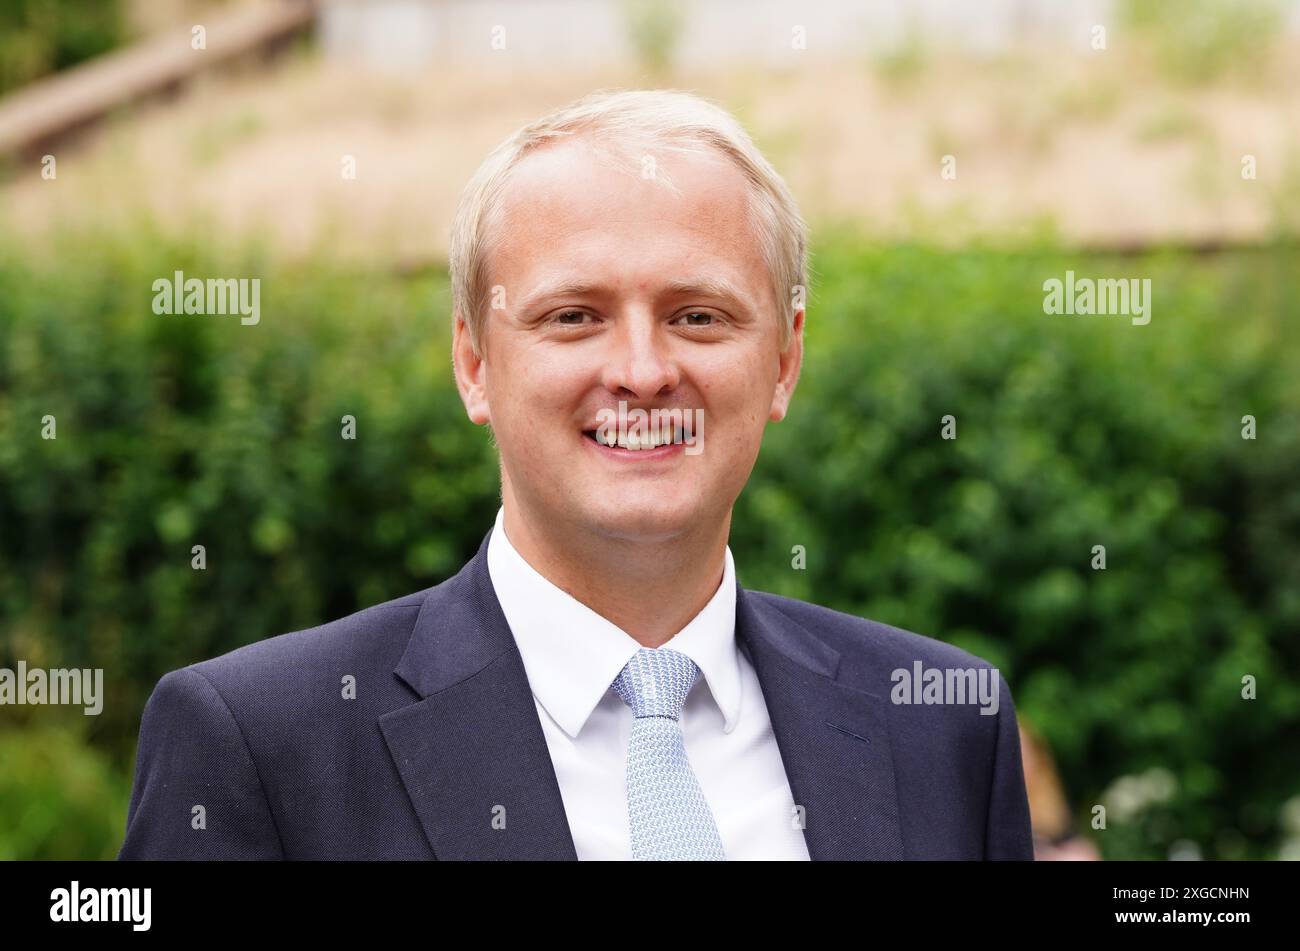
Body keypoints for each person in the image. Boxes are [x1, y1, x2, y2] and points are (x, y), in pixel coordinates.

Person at [118, 89, 1033, 860]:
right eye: (573, 316)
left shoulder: (943, 724)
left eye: (700, 315)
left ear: (785, 361)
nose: (641, 369)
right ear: (474, 364)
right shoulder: (262, 743)